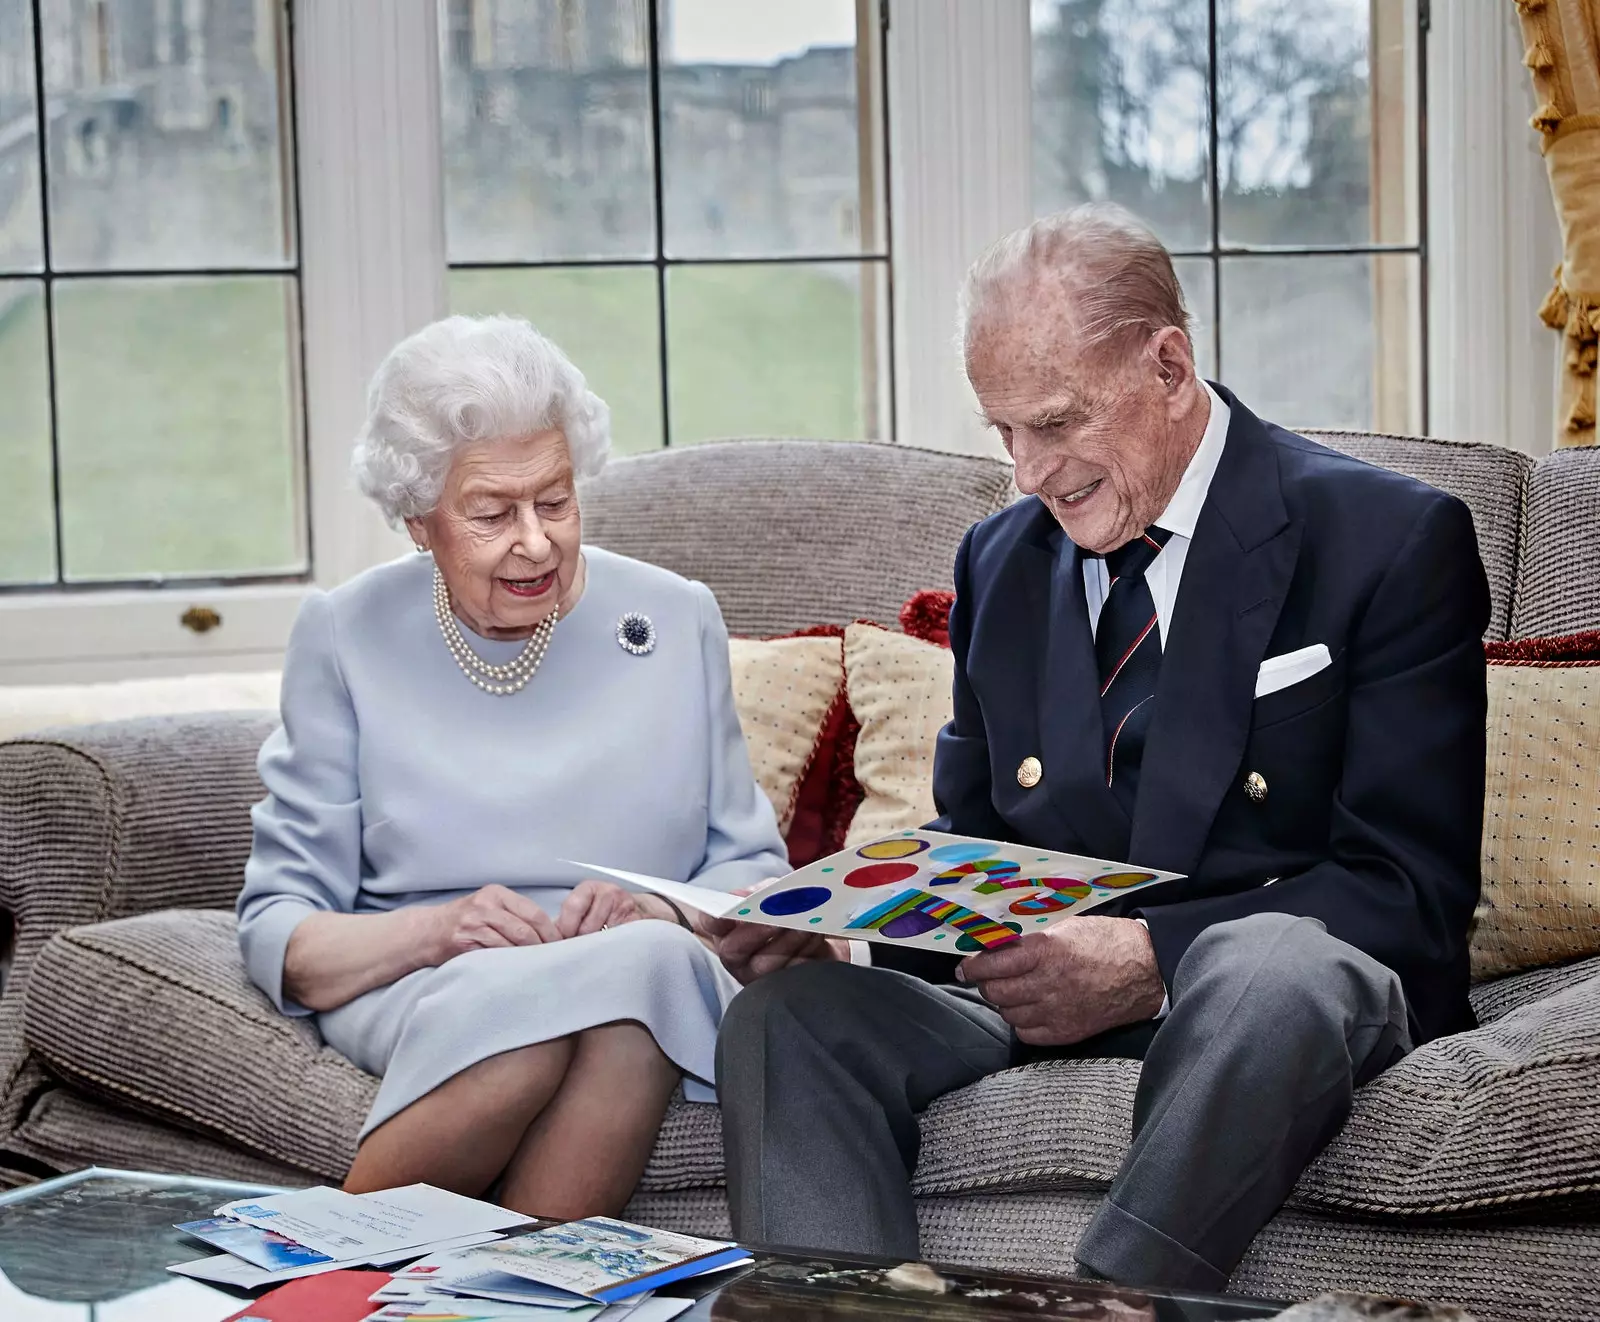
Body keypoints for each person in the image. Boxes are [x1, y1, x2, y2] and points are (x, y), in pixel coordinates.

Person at [710, 204, 1489, 1290]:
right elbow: (976, 841)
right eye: (1004, 432)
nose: (1030, 471)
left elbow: (1409, 892)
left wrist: (1148, 961)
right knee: (789, 1017)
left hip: (1260, 1009)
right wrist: (847, 932)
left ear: (1167, 365)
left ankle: (1105, 1306)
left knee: (1270, 964)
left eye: (1058, 422)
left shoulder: (1387, 539)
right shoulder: (1001, 558)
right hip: (1031, 1000)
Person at [237, 314, 788, 1217]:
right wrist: (440, 931)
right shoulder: (346, 634)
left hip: (636, 962)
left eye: (557, 501)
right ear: (419, 522)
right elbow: (282, 929)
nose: (535, 541)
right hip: (424, 976)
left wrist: (656, 907)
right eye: (492, 514)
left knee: (633, 984)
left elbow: (752, 872)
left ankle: (319, 1287)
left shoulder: (674, 616)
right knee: (559, 1023)